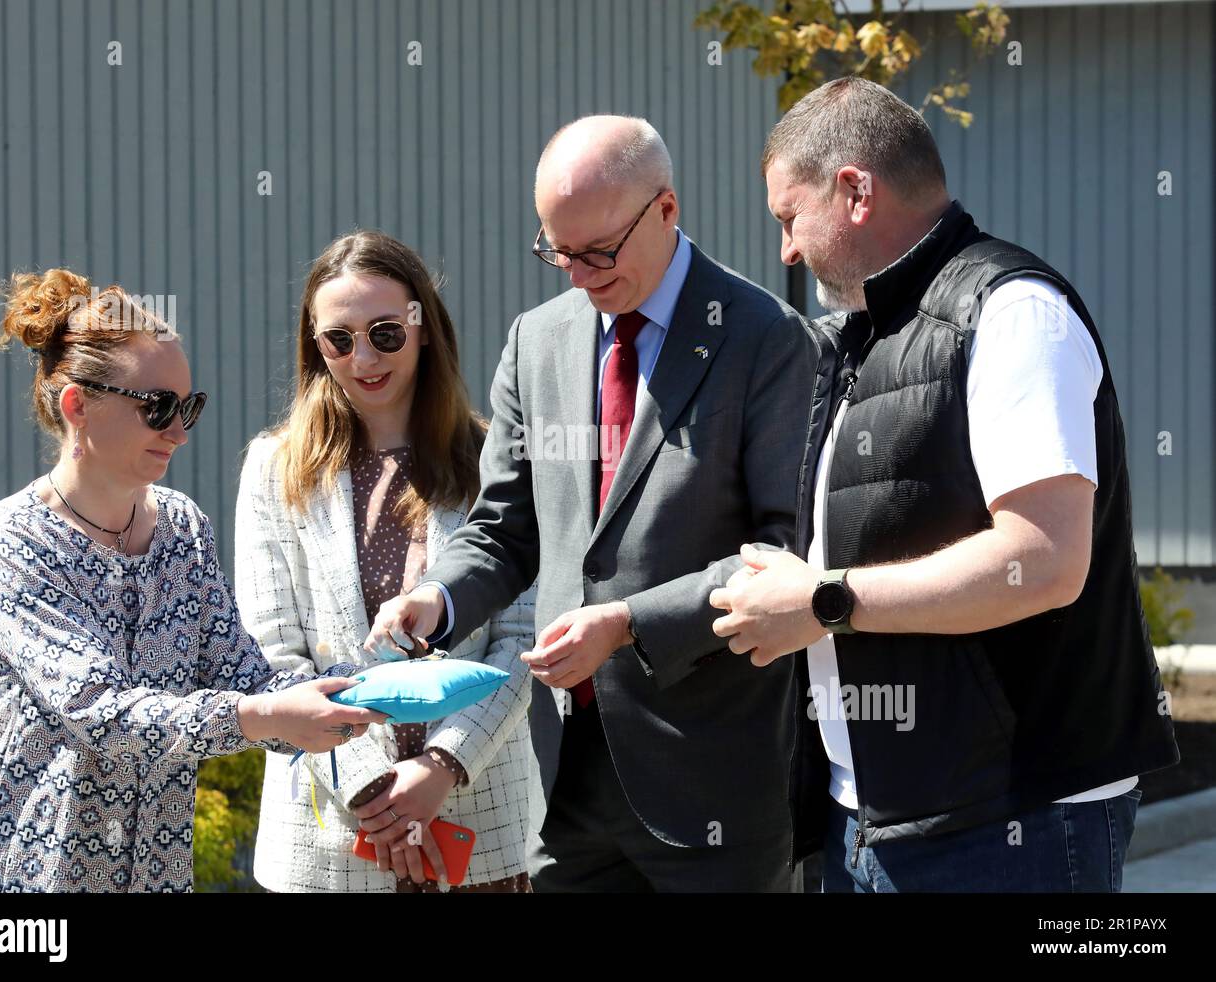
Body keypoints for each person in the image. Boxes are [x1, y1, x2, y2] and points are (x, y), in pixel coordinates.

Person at [710, 76, 1180, 892]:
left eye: (789, 217)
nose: (785, 249)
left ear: (854, 191)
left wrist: (822, 601)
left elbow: (1043, 560)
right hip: (878, 813)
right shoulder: (866, 334)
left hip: (1009, 824)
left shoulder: (1013, 314)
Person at [368, 116, 815, 892]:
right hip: (567, 780)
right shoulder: (537, 339)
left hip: (713, 781)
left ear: (667, 210)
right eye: (557, 252)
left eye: (597, 252)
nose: (577, 275)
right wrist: (435, 599)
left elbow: (782, 553)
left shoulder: (767, 337)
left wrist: (629, 625)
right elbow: (506, 527)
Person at [0, 269, 383, 893]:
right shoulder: (11, 544)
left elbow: (243, 677)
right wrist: (266, 713)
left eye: (189, 406)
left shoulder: (183, 526)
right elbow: (99, 713)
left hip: (145, 874)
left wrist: (370, 692)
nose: (180, 430)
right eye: (157, 407)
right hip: (11, 883)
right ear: (77, 406)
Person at [242, 231, 537, 893]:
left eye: (385, 333)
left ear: (423, 327)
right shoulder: (274, 468)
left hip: (476, 824)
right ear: (315, 346)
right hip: (329, 839)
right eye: (338, 340)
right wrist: (374, 797)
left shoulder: (496, 459)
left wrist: (440, 766)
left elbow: (521, 641)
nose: (363, 358)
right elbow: (274, 657)